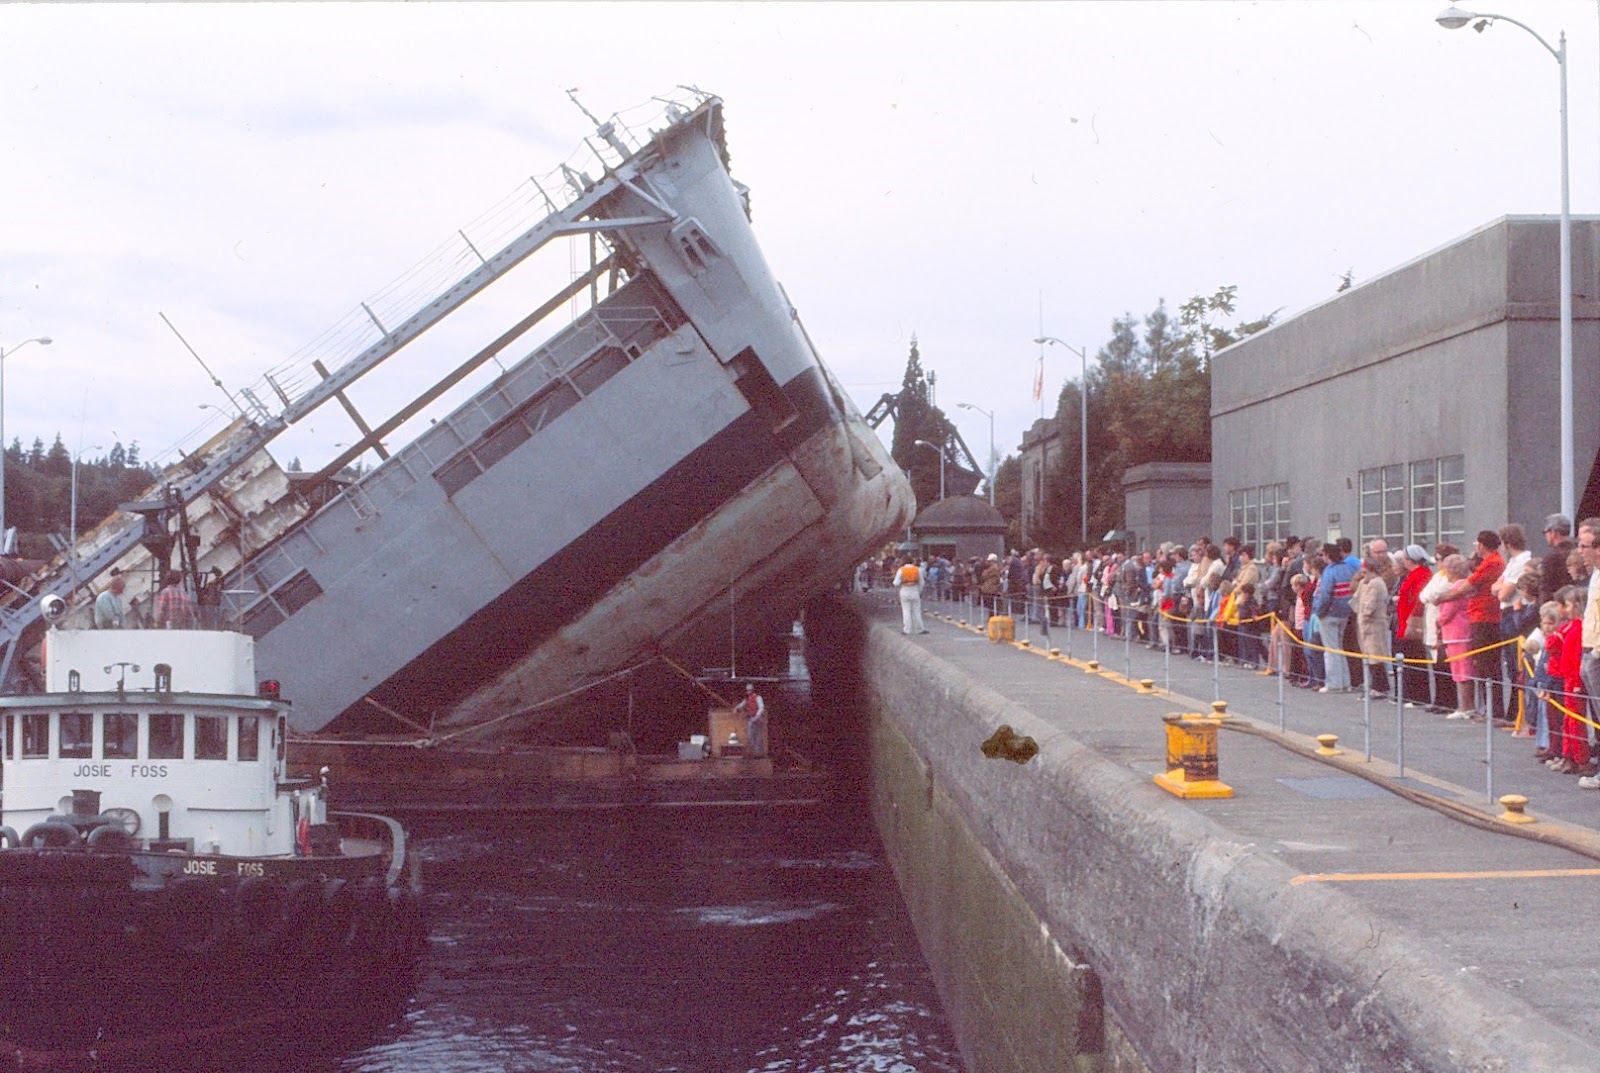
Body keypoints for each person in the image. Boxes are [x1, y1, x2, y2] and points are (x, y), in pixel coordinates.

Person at [1313, 543, 1357, 693]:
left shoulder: (1329, 572)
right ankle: (1345, 682)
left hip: (1329, 614)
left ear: (1328, 556)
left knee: (1331, 649)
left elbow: (1325, 595)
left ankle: (1333, 683)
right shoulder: (1347, 569)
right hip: (1345, 613)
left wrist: (1318, 612)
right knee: (1340, 648)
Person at [893, 558, 927, 635]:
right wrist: (919, 591)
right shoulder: (917, 569)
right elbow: (922, 582)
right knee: (916, 611)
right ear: (913, 562)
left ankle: (907, 630)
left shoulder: (901, 570)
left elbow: (896, 583)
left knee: (906, 610)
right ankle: (920, 629)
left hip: (904, 590)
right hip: (915, 590)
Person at [740, 683, 767, 758]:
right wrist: (737, 708)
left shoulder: (758, 697)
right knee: (750, 736)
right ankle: (753, 753)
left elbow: (761, 707)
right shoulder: (747, 698)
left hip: (757, 718)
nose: (748, 691)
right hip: (752, 718)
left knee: (757, 736)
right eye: (747, 690)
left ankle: (757, 754)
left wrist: (757, 716)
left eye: (749, 690)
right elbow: (742, 704)